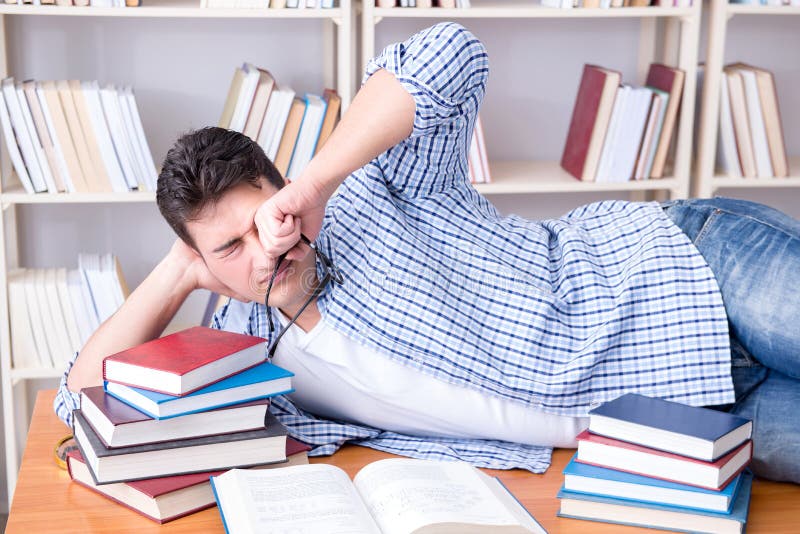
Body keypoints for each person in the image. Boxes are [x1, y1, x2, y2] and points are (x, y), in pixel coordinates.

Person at [57, 22, 800, 482]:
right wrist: (184, 265)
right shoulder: (245, 358)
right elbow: (78, 402)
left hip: (681, 272)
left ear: (279, 186)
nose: (266, 249)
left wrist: (318, 180)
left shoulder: (369, 191)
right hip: (687, 413)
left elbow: (451, 54)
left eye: (265, 217)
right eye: (230, 246)